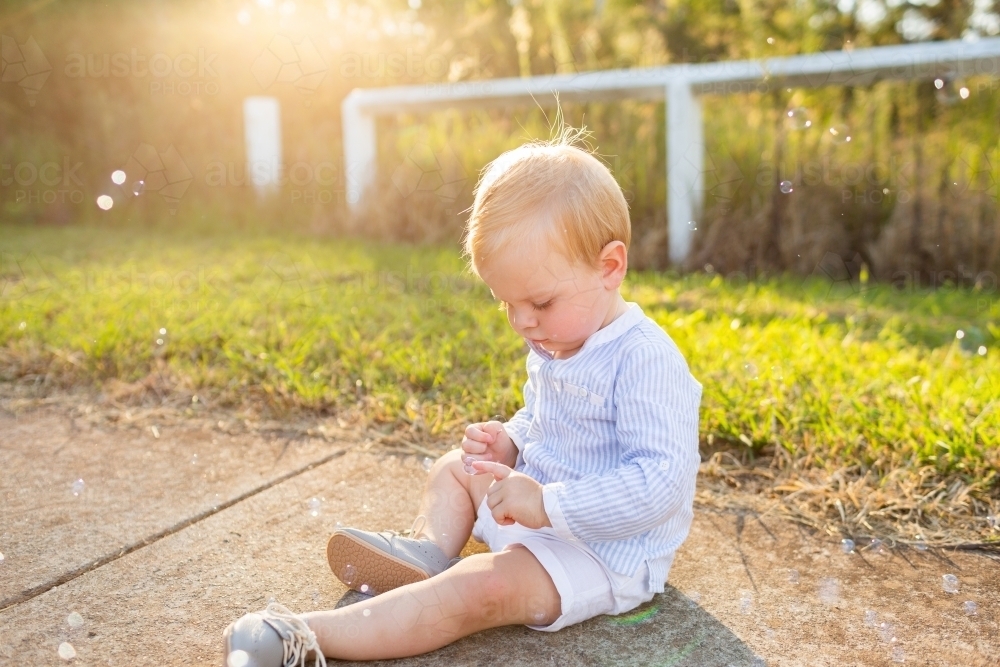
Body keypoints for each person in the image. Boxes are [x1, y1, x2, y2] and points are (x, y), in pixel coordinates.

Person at [222, 126, 703, 666]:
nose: (522, 322)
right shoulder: (559, 338)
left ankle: (306, 636)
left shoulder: (645, 359)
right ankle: (429, 548)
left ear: (610, 267)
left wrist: (548, 504)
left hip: (599, 552)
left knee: (479, 587)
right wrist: (512, 443)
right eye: (507, 304)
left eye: (539, 302)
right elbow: (549, 420)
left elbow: (660, 482)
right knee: (457, 466)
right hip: (531, 503)